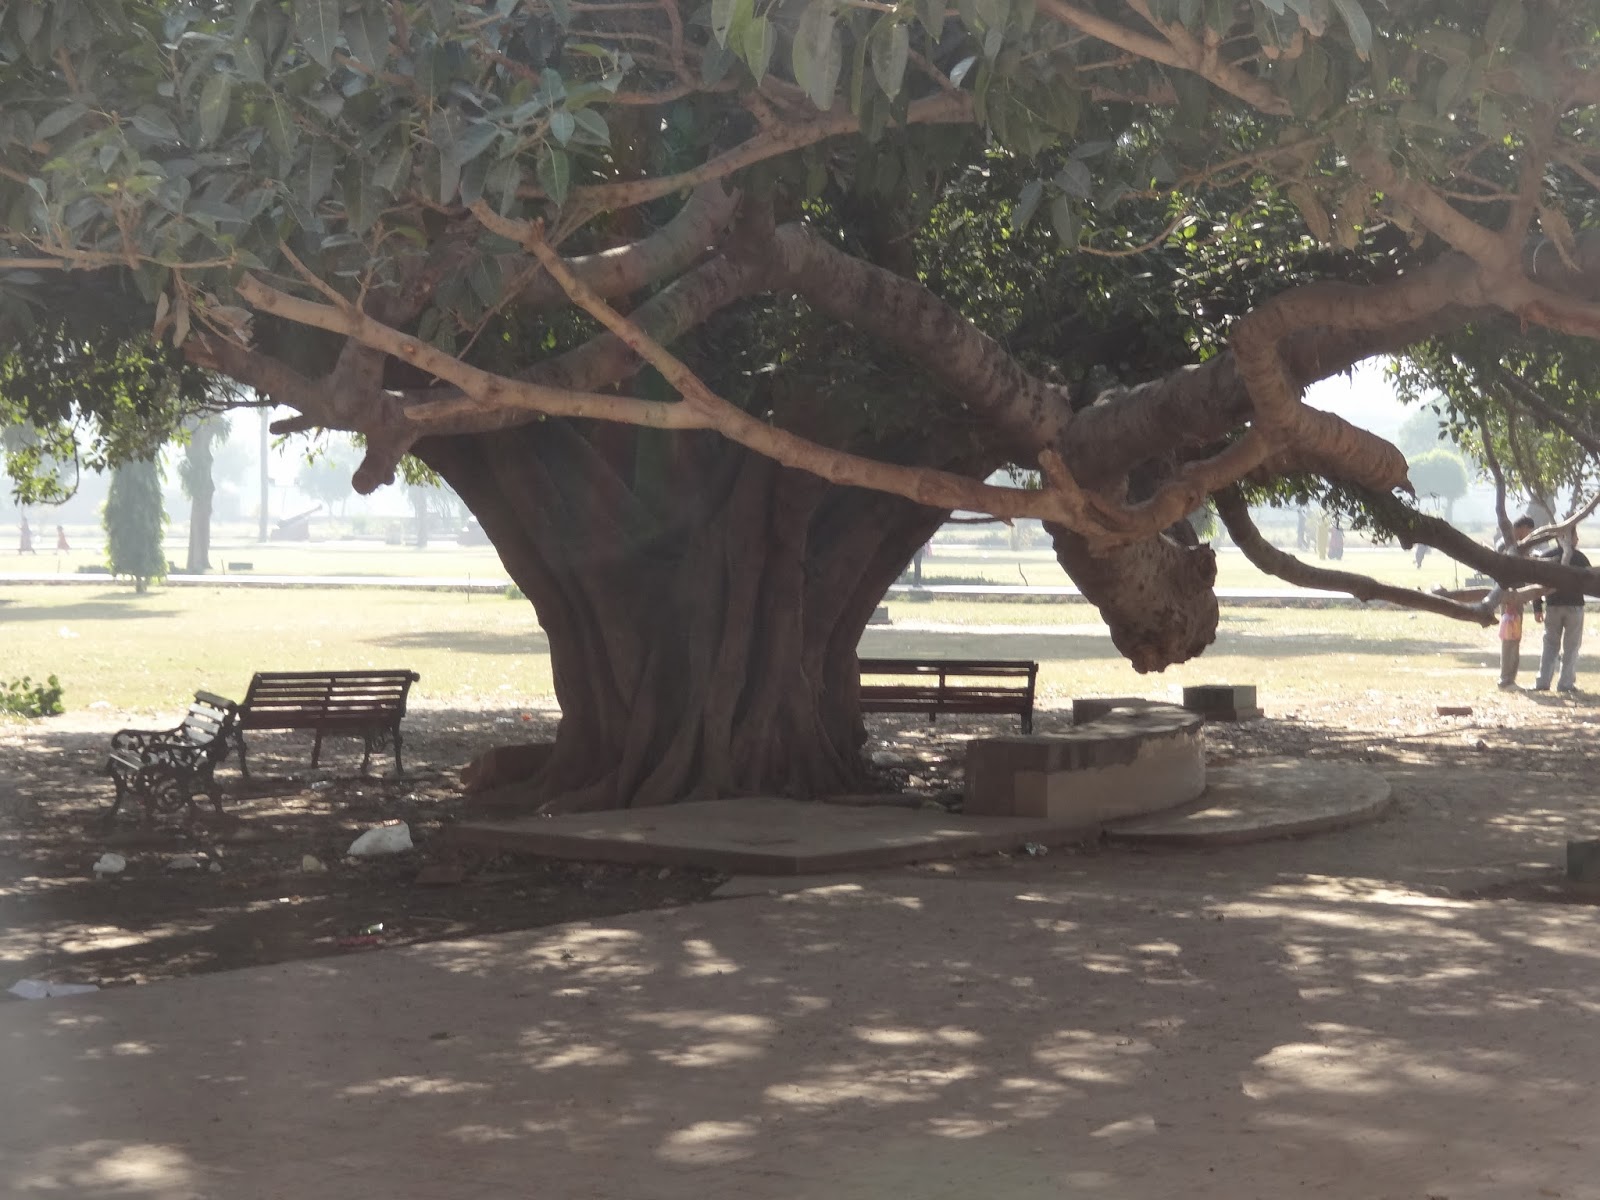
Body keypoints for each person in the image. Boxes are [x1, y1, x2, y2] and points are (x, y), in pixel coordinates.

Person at [1532, 528, 1590, 693]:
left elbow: (1537, 584)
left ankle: (1543, 681)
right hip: (1574, 606)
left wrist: (1537, 608)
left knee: (1550, 645)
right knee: (1571, 647)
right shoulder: (1580, 558)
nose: (1577, 540)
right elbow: (1590, 580)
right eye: (1575, 536)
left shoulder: (1547, 557)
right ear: (1567, 537)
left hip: (1553, 606)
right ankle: (1565, 683)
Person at [1497, 516, 1537, 690]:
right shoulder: (1506, 545)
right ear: (1522, 528)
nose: (1529, 535)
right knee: (1510, 638)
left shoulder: (1516, 545)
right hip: (1509, 598)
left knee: (1515, 637)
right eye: (1529, 531)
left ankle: (1510, 678)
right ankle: (1506, 679)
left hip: (1516, 597)